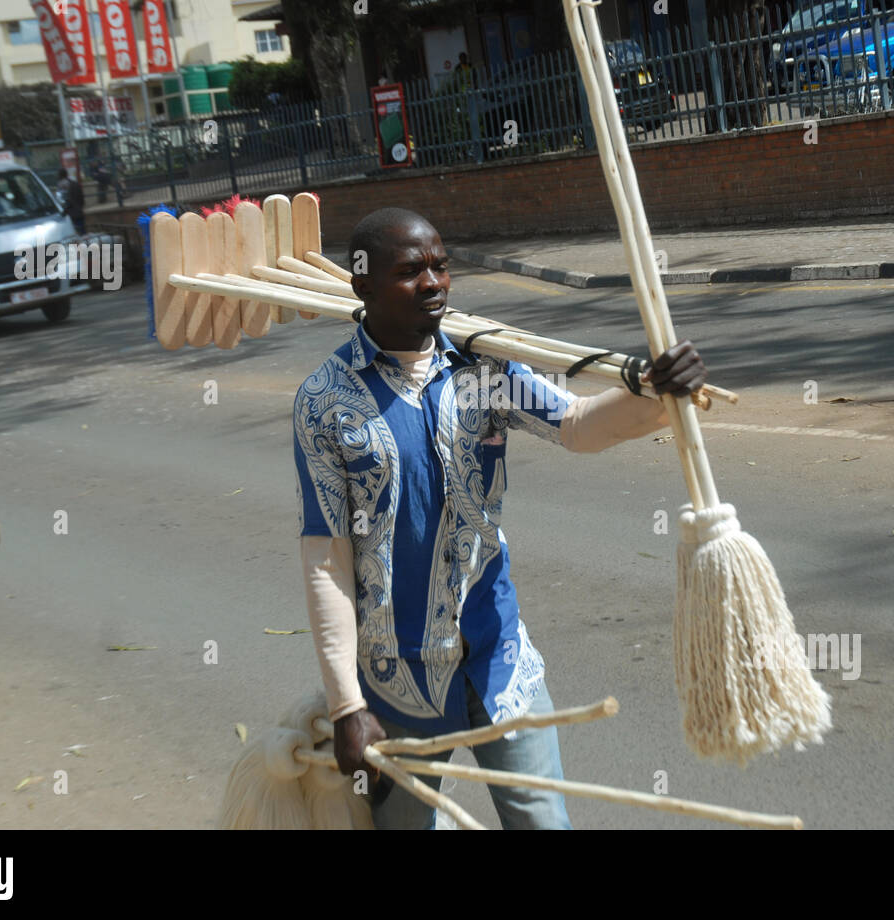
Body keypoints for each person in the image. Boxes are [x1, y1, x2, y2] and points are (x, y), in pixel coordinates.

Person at [294, 208, 707, 829]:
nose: (433, 282)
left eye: (440, 265)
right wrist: (348, 706)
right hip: (394, 684)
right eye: (410, 271)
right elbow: (327, 558)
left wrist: (652, 389)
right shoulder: (324, 401)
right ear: (363, 285)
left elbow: (575, 425)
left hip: (501, 665)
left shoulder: (484, 366)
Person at [58, 167, 85, 233]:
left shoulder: (61, 184)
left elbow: (64, 200)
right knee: (82, 231)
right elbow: (81, 198)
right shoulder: (74, 183)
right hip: (79, 211)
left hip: (71, 213)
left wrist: (64, 212)